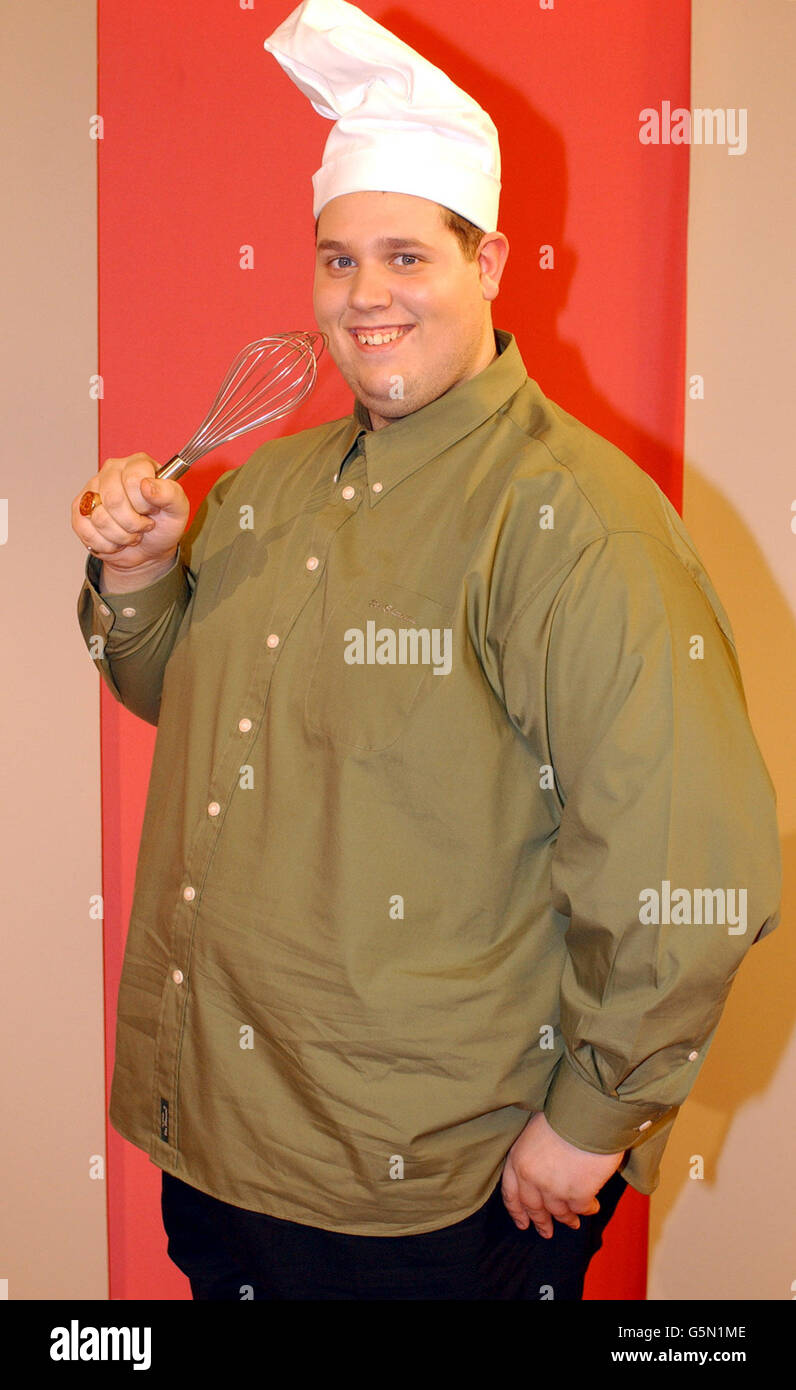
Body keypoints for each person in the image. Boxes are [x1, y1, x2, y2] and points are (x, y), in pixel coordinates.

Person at [72, 0, 781, 1301]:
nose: (365, 296)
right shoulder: (273, 489)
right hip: (221, 1141)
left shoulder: (576, 521)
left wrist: (590, 1119)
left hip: (417, 1193)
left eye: (408, 256)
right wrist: (139, 572)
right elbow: (179, 691)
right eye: (337, 260)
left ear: (491, 257)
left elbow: (696, 869)